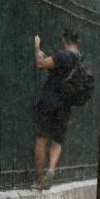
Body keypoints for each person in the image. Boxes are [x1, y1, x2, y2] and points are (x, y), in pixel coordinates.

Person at [32, 29, 81, 190]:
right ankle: (51, 169)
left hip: (49, 101)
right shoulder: (78, 60)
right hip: (65, 104)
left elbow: (40, 64)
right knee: (57, 140)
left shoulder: (62, 55)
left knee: (41, 138)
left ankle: (40, 179)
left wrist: (37, 48)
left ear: (64, 40)